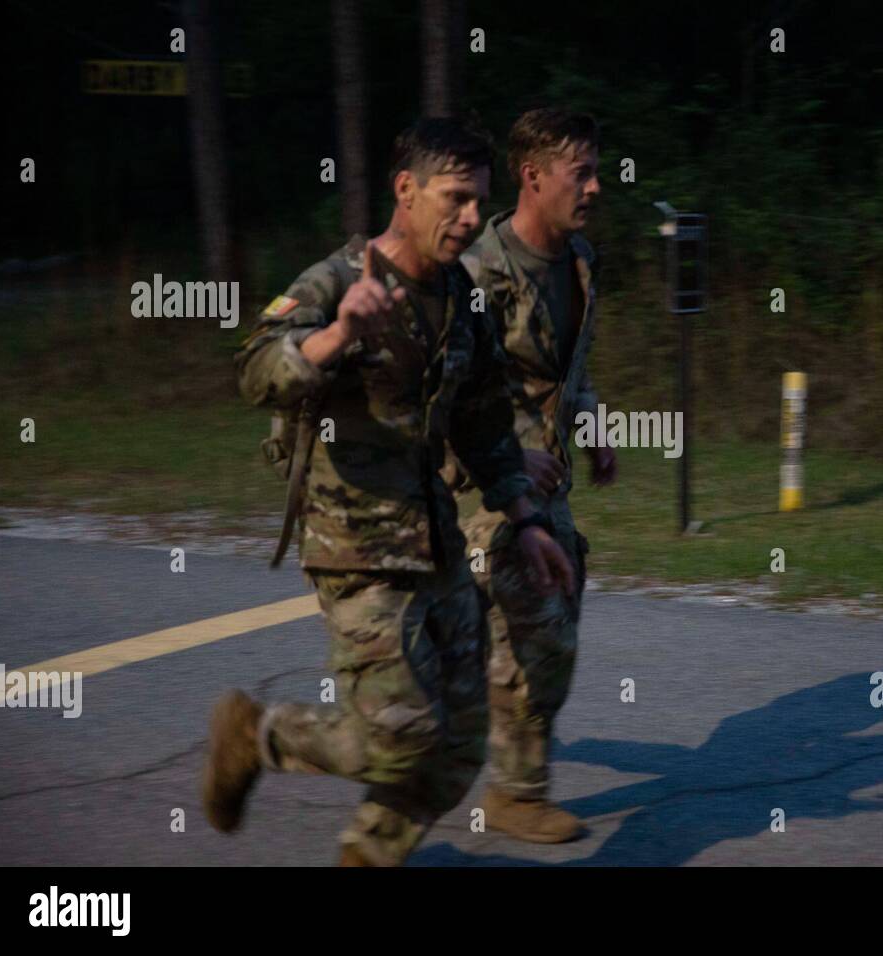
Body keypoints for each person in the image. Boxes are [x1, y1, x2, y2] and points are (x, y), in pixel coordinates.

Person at [205, 117, 574, 867]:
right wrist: (336, 336)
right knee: (400, 737)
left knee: (461, 746)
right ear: (406, 191)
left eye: (479, 202)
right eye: (455, 198)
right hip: (356, 544)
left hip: (435, 541)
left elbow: (483, 425)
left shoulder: (464, 296)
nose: (471, 217)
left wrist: (528, 519)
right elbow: (255, 369)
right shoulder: (338, 280)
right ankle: (260, 734)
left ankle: (367, 859)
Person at [451, 108, 615, 844]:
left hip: (546, 487)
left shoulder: (581, 260)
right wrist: (507, 460)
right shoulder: (477, 274)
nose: (597, 186)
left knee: (555, 609)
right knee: (541, 628)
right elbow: (442, 397)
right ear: (533, 176)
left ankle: (494, 751)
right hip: (481, 484)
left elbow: (560, 368)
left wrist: (592, 419)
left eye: (595, 170)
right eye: (581, 172)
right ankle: (516, 792)